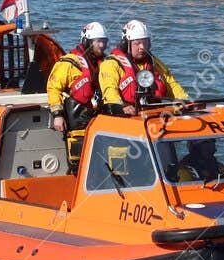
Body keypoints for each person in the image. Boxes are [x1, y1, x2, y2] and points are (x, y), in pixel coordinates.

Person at [46, 21, 109, 159]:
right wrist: (57, 115)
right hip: (77, 120)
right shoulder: (69, 63)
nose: (102, 45)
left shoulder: (106, 64)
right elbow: (53, 88)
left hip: (99, 118)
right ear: (87, 42)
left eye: (104, 41)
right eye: (98, 41)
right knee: (79, 158)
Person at [99, 19, 187, 114]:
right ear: (126, 44)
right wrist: (121, 108)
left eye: (145, 43)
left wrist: (185, 100)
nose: (142, 47)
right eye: (137, 43)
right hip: (126, 113)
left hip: (154, 112)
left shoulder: (154, 63)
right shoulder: (111, 64)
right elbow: (109, 90)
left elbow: (172, 84)